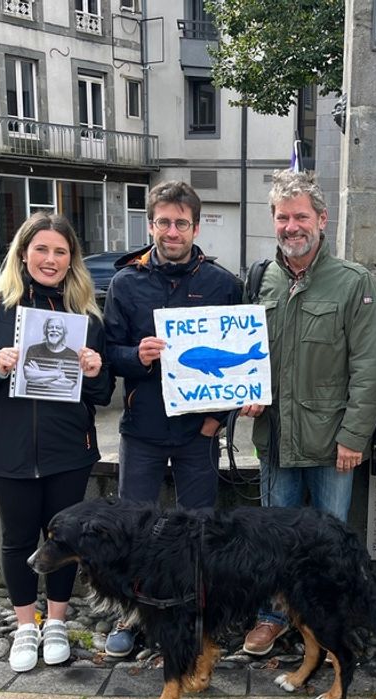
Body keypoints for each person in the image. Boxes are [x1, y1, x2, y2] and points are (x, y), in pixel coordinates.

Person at [0, 212, 112, 672]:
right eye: (42, 249)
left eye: (61, 251)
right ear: (22, 253)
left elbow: (101, 394)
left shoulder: (85, 315)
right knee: (18, 540)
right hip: (6, 447)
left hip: (68, 449)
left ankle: (56, 621)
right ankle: (24, 626)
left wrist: (95, 371)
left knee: (65, 536)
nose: (50, 259)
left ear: (72, 259)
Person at [238, 170, 376, 656]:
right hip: (277, 437)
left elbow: (369, 367)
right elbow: (245, 351)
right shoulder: (261, 280)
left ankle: (328, 622)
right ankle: (273, 615)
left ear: (322, 220)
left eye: (301, 216)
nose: (291, 226)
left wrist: (354, 436)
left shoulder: (353, 283)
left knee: (328, 542)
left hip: (331, 444)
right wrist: (247, 390)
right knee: (272, 538)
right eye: (283, 217)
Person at [102, 180, 242, 658]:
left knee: (200, 525)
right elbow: (106, 354)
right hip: (142, 428)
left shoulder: (222, 284)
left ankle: (199, 613)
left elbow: (240, 365)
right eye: (164, 222)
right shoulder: (126, 282)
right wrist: (135, 355)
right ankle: (134, 615)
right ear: (151, 224)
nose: (172, 230)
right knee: (133, 526)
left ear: (195, 227)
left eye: (181, 222)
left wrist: (217, 419)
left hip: (196, 429)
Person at [22, 316, 79, 393]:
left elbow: (68, 385)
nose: (54, 330)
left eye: (58, 327)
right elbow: (28, 374)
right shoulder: (33, 349)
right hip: (31, 402)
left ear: (64, 332)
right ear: (45, 331)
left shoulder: (72, 355)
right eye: (50, 327)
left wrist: (37, 374)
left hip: (60, 403)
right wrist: (56, 374)